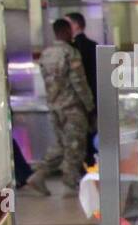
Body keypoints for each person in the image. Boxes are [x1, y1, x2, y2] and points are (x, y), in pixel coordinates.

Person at [26, 18, 94, 195]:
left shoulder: (46, 54)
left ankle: (39, 174)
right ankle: (70, 183)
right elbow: (78, 82)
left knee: (61, 144)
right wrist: (89, 105)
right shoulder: (70, 53)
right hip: (71, 106)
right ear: (66, 32)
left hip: (54, 106)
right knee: (75, 144)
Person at [65, 12, 99, 159]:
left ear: (76, 25)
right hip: (95, 96)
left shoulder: (72, 49)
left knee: (80, 138)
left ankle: (86, 169)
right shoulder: (94, 46)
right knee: (92, 134)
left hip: (79, 100)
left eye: (68, 24)